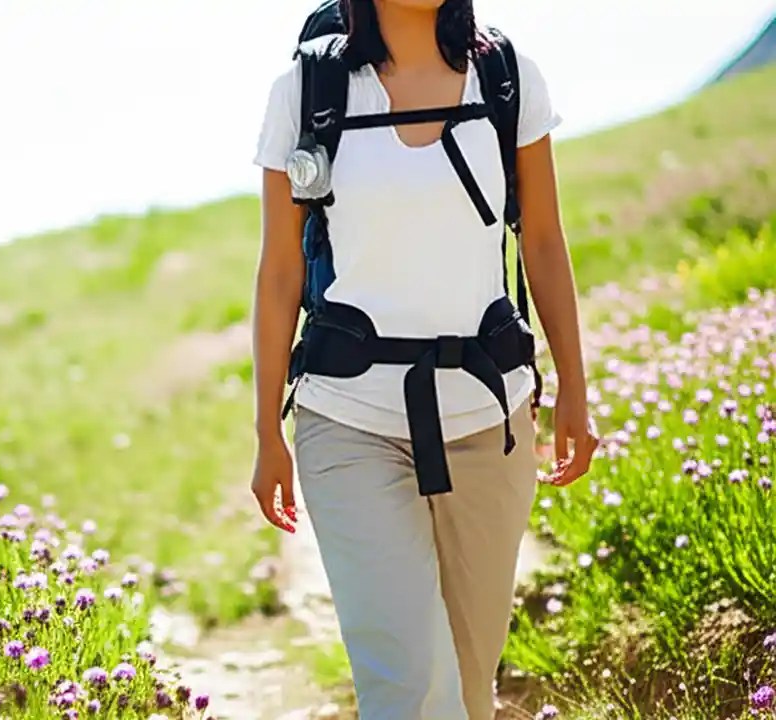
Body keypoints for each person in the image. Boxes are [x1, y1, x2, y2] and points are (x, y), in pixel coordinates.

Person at [248, 1, 599, 718]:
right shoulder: (307, 92)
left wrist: (574, 389)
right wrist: (266, 431)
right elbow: (280, 271)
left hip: (489, 421)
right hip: (348, 421)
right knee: (407, 681)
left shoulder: (506, 78)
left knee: (468, 684)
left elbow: (542, 240)